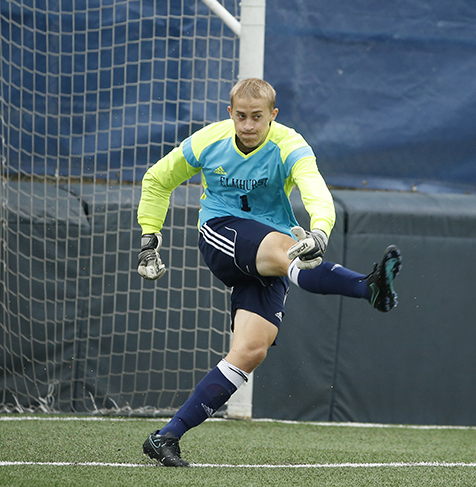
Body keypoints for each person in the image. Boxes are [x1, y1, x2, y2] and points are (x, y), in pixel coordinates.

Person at [135, 77, 402, 467]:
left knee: (250, 351)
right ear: (230, 113)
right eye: (241, 116)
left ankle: (165, 437)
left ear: (272, 115)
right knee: (284, 250)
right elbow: (158, 179)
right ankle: (367, 287)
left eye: (256, 117)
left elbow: (314, 188)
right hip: (221, 233)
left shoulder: (289, 144)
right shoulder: (208, 141)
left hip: (270, 248)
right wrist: (150, 237)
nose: (248, 125)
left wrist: (319, 232)